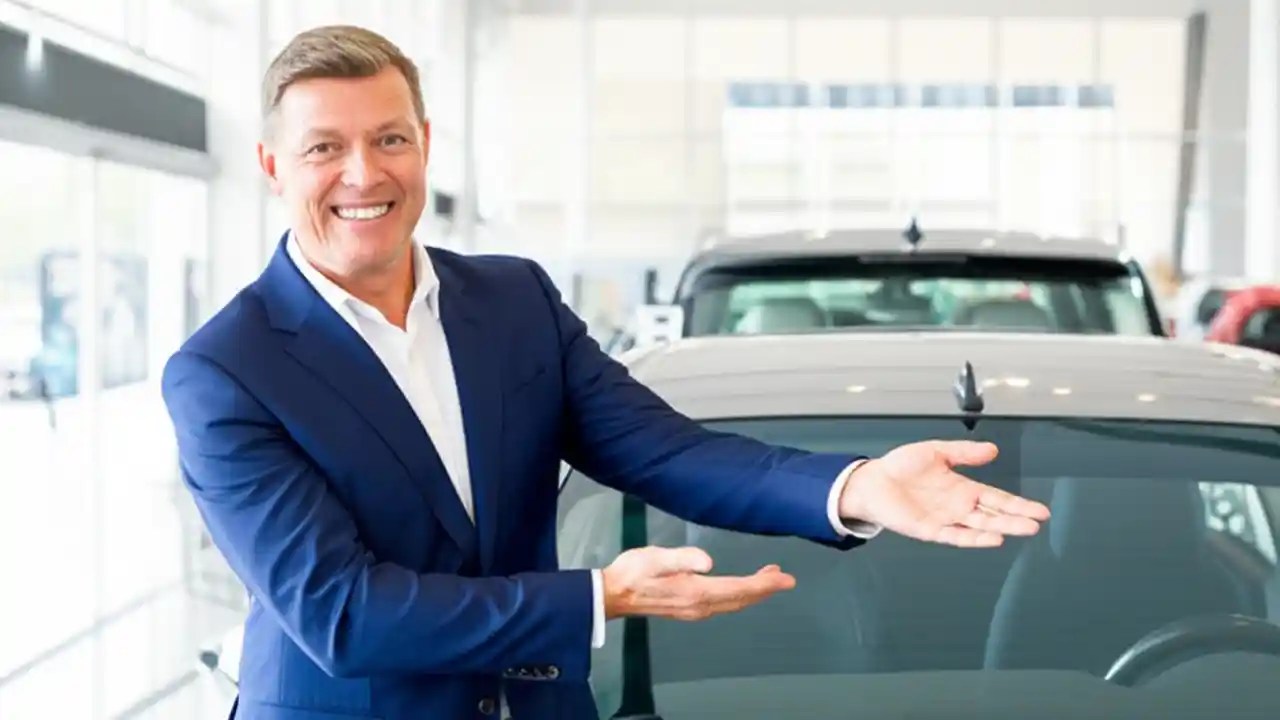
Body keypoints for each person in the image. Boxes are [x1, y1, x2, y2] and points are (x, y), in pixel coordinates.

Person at [162, 25, 1050, 720]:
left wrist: (854, 487)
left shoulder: (513, 301)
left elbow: (665, 451)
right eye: (324, 148)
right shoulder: (225, 372)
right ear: (272, 166)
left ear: (424, 144)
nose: (364, 173)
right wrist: (600, 597)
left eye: (389, 138)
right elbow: (343, 615)